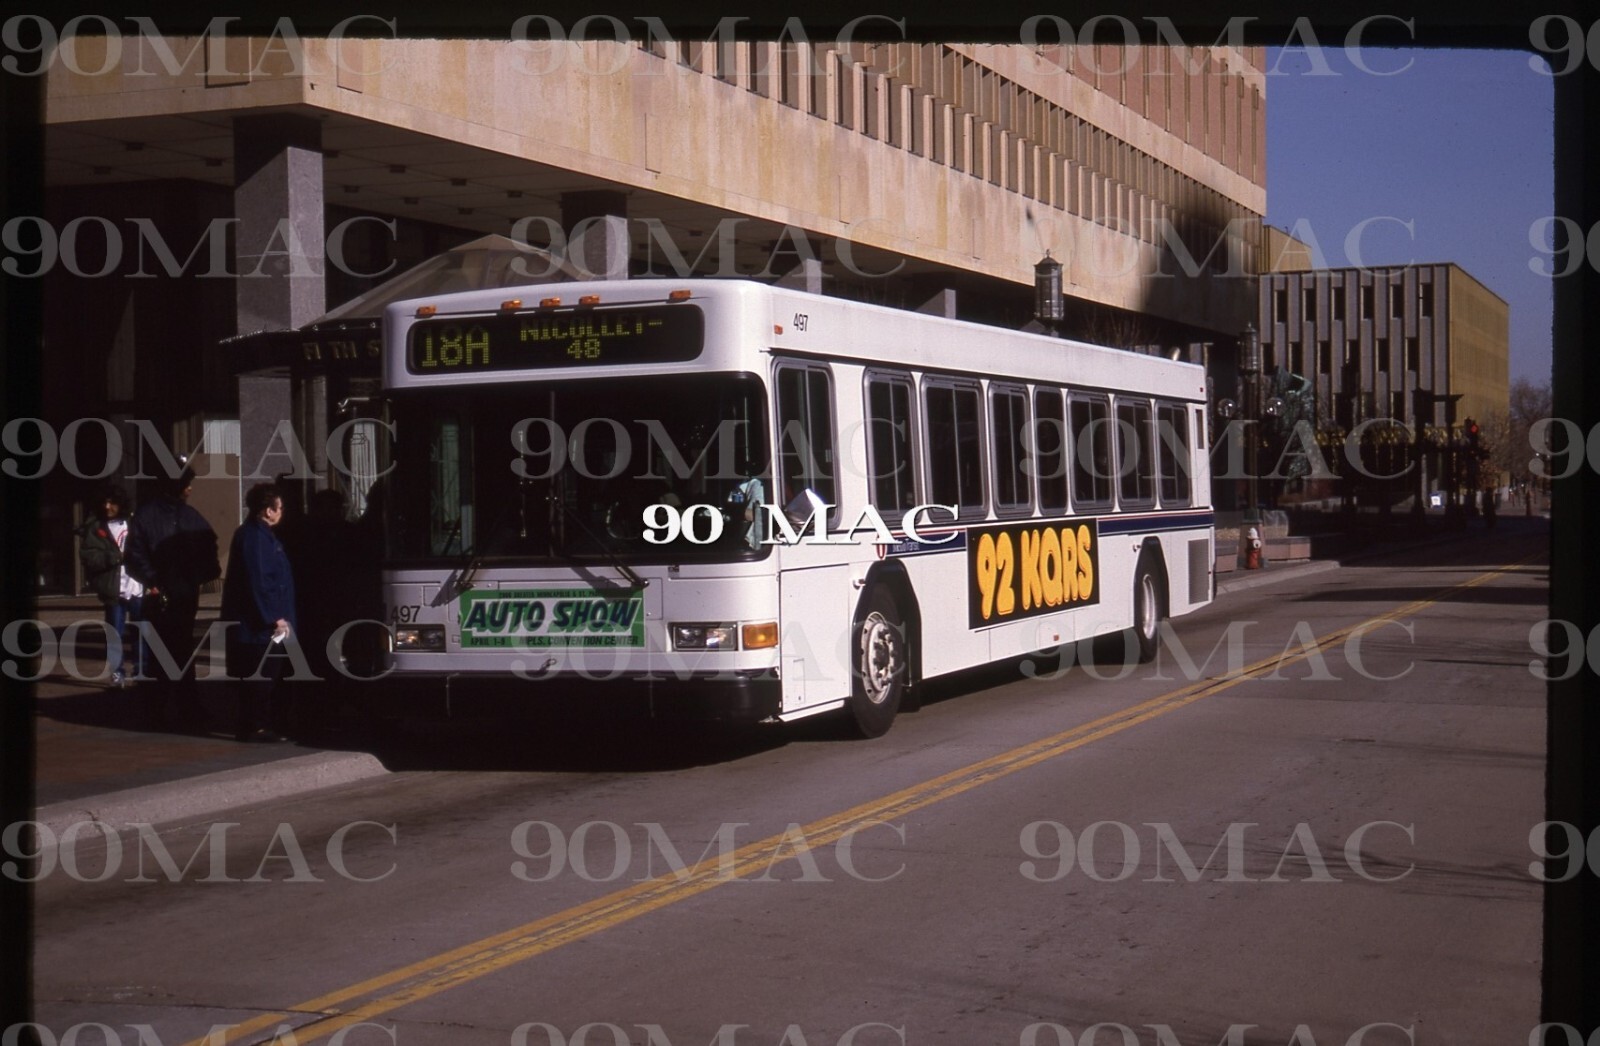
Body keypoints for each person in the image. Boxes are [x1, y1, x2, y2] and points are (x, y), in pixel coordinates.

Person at [125, 466, 220, 730]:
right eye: (186, 484)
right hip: (168, 595)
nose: (190, 489)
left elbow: (209, 553)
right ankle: (169, 708)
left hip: (178, 593)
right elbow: (135, 555)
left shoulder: (179, 516)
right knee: (169, 651)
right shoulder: (171, 516)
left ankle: (170, 707)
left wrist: (188, 577)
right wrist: (155, 581)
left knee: (173, 651)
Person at [221, 483, 299, 743]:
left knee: (262, 675)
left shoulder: (258, 534)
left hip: (258, 623)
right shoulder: (256, 537)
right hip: (259, 626)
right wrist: (274, 617)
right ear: (268, 510)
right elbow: (260, 580)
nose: (282, 511)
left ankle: (256, 723)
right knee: (262, 676)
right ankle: (257, 726)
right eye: (280, 507)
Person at [78, 484, 144, 687]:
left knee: (141, 633)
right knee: (114, 633)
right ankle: (117, 673)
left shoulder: (135, 524)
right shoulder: (96, 527)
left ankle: (142, 670)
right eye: (105, 502)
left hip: (138, 588)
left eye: (112, 502)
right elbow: (89, 557)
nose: (107, 506)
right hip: (113, 590)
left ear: (121, 504)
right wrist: (116, 557)